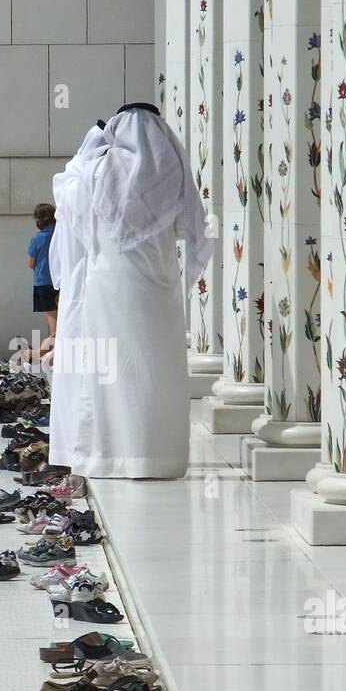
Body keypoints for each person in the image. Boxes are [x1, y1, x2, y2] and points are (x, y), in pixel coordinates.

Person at [49, 103, 213, 479]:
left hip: (110, 286)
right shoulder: (171, 168)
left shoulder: (96, 170)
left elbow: (67, 197)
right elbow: (195, 226)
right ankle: (158, 457)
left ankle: (111, 455)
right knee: (154, 372)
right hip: (159, 289)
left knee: (110, 372)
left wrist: (92, 141)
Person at [27, 204, 59, 334]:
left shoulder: (37, 238)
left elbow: (30, 263)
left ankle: (56, 348)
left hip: (43, 282)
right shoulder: (61, 236)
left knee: (51, 316)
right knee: (62, 314)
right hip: (62, 281)